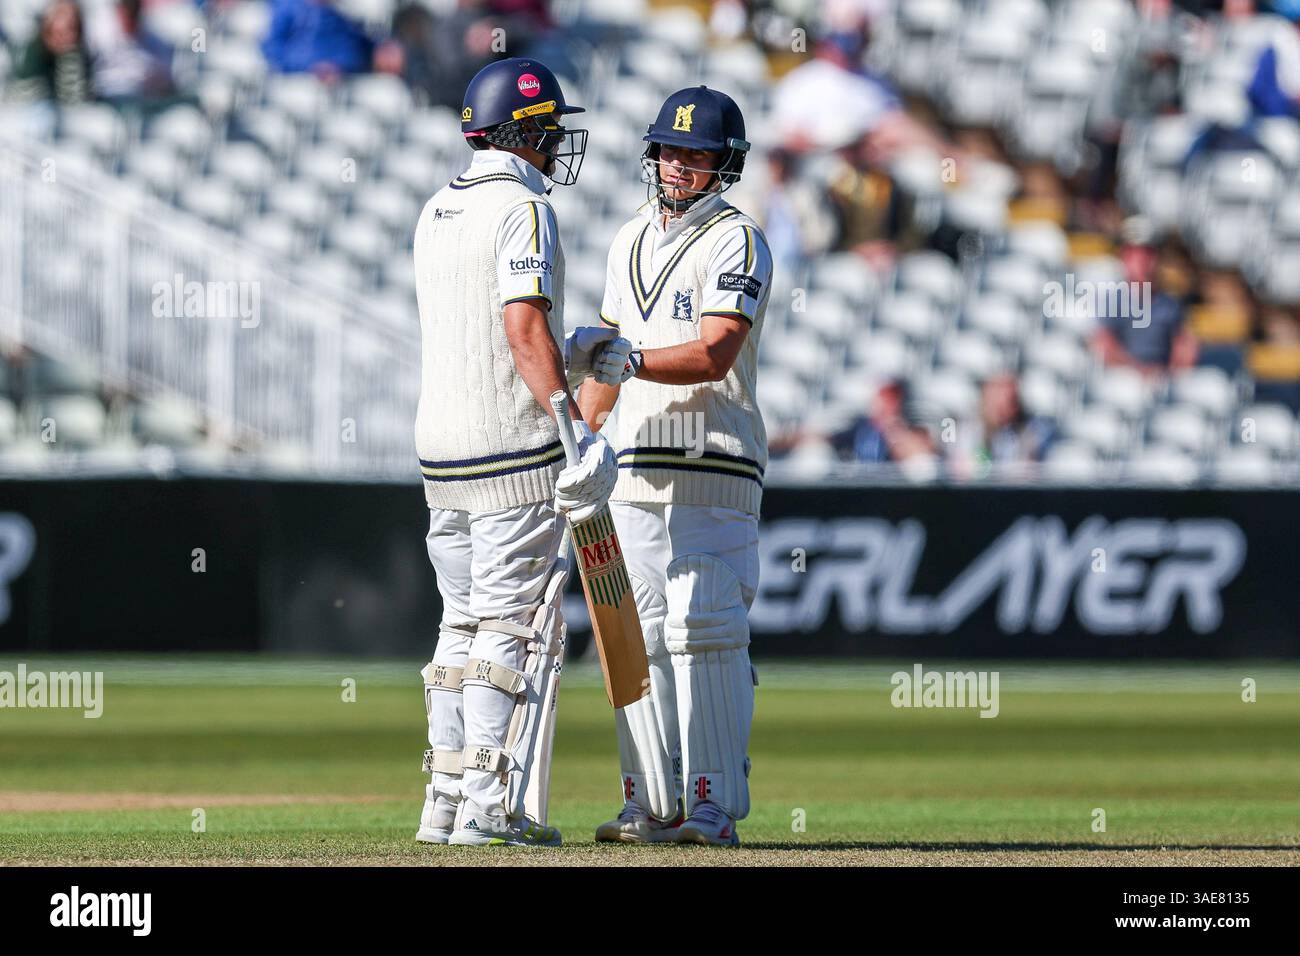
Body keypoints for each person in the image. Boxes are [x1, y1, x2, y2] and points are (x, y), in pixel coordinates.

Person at [411, 57, 625, 848]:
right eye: (549, 131)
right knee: (514, 624)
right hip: (511, 448)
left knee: (459, 623)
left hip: (441, 451)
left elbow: (495, 337)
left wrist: (579, 349)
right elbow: (520, 329)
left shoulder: (437, 206)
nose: (556, 147)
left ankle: (443, 799)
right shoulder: (523, 210)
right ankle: (487, 807)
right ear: (524, 133)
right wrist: (575, 424)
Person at [577, 86, 773, 846]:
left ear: (724, 163)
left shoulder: (738, 237)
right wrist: (578, 435)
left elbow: (716, 349)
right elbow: (603, 361)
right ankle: (650, 801)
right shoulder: (626, 237)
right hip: (632, 468)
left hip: (714, 461)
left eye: (695, 153)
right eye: (669, 150)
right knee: (641, 635)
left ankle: (714, 805)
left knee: (708, 627)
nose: (678, 165)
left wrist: (628, 360)